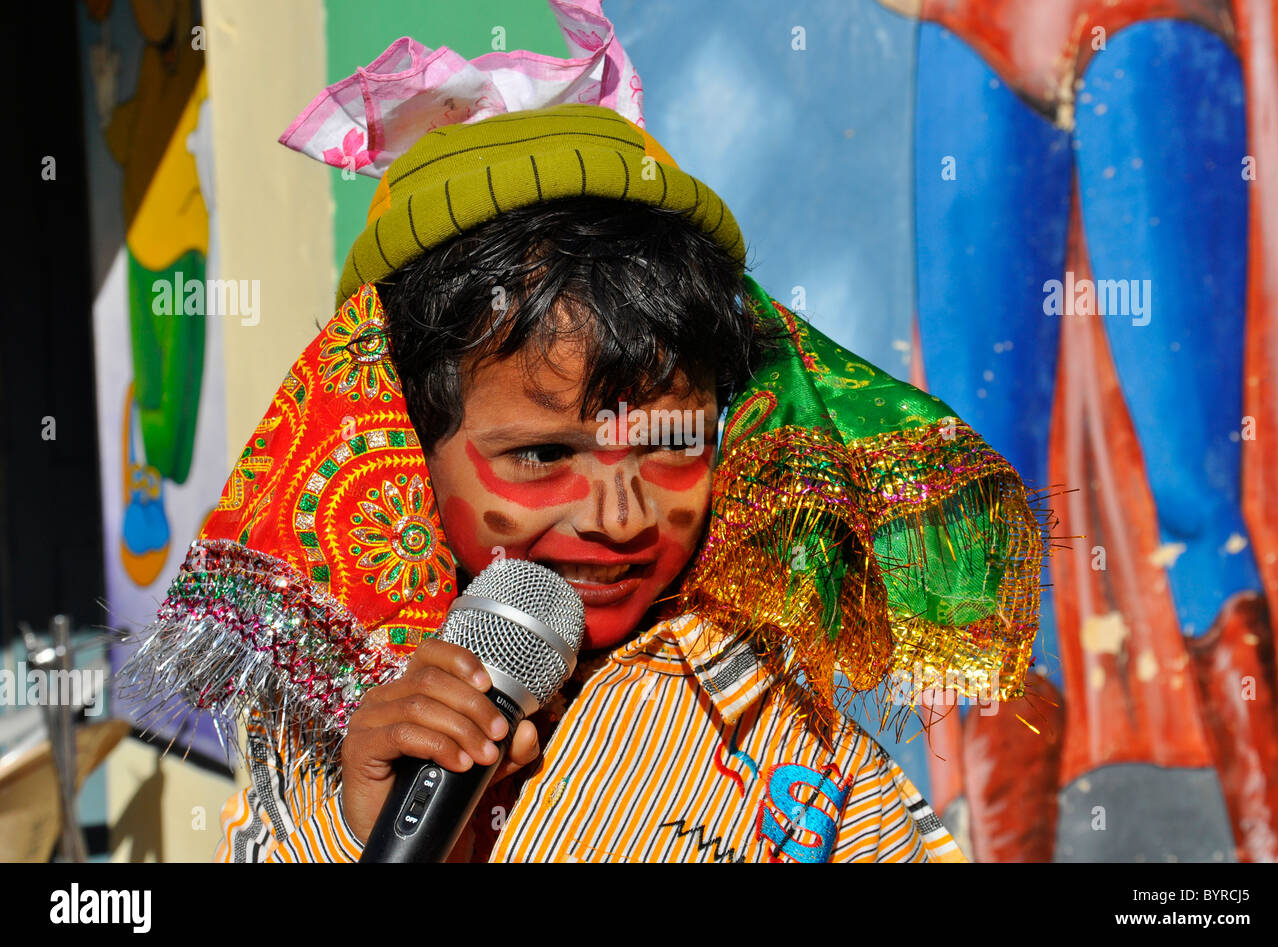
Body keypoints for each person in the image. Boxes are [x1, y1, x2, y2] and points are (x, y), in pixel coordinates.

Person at [121, 98, 1045, 863]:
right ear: (399, 443)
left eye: (672, 441)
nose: (621, 515)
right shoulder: (347, 740)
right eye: (543, 455)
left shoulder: (770, 717)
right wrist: (365, 828)